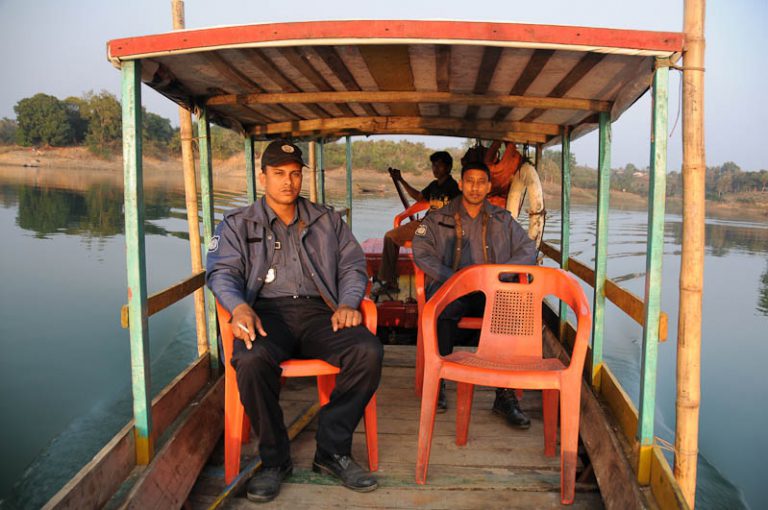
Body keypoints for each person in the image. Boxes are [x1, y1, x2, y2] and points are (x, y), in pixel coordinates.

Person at [206, 140, 383, 503]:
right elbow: (222, 272)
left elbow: (353, 266)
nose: (288, 182)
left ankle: (331, 451)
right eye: (279, 174)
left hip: (322, 313)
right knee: (251, 360)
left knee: (368, 351)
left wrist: (349, 302)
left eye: (295, 174)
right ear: (263, 177)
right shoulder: (238, 223)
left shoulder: (327, 220)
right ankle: (275, 460)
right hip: (267, 314)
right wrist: (239, 307)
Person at [412, 160, 537, 428]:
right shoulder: (438, 217)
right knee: (441, 309)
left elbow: (528, 249)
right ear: (461, 184)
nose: (475, 187)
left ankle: (504, 395)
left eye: (481, 182)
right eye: (470, 181)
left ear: (489, 186)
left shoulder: (503, 220)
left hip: (492, 290)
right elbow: (421, 251)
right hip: (453, 286)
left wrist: (499, 275)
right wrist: (452, 276)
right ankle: (439, 380)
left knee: (512, 313)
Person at [370, 151, 460, 299]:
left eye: (439, 165)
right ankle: (389, 281)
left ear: (449, 167)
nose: (435, 169)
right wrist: (401, 180)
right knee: (390, 236)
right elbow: (418, 197)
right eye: (433, 165)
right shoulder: (434, 185)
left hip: (439, 228)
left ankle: (434, 286)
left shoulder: (453, 187)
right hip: (424, 224)